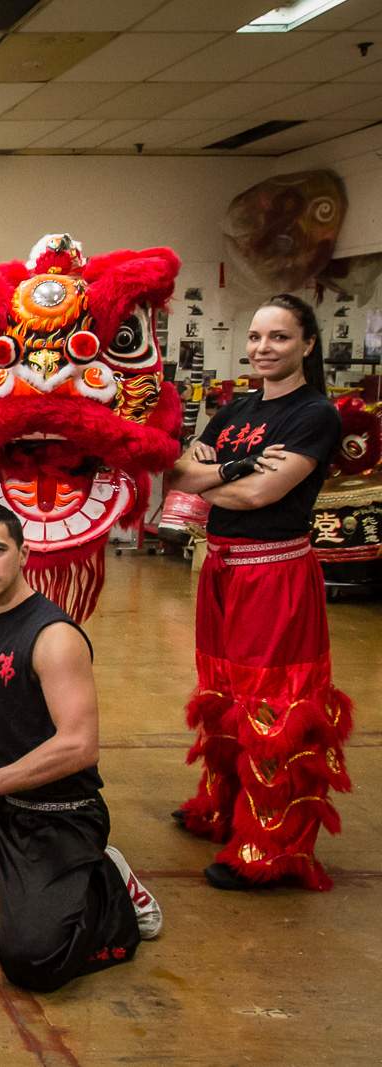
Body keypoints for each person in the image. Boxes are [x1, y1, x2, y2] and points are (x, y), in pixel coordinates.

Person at [0, 501, 161, 993]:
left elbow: (80, 747)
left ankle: (105, 877)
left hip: (56, 810)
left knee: (32, 961)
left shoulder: (53, 637)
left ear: (24, 553)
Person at [166, 294, 350, 891]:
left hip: (274, 573)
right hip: (220, 569)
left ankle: (271, 847)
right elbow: (179, 476)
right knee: (223, 695)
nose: (262, 349)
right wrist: (242, 469)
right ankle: (224, 809)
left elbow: (258, 498)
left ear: (307, 345)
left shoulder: (315, 415)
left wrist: (222, 476)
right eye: (256, 337)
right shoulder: (234, 409)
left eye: (278, 338)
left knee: (274, 706)